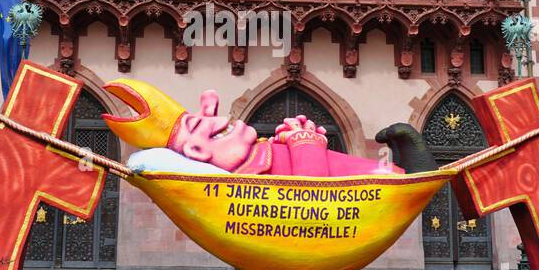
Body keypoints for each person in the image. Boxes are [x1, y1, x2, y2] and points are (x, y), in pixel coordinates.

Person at [103, 78, 404, 177]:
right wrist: (305, 141)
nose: (217, 115)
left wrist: (291, 140)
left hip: (388, 179)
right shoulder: (249, 177)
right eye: (198, 122)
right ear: (196, 150)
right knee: (404, 173)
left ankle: (410, 167)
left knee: (404, 172)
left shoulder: (258, 157)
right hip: (384, 186)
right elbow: (310, 196)